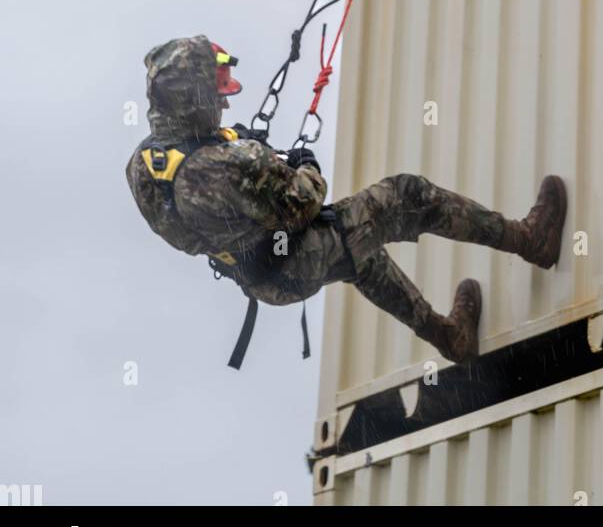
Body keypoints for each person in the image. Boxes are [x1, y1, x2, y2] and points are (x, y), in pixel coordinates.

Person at [126, 34, 568, 363]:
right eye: (216, 94)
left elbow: (198, 219)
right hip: (297, 258)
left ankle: (451, 338)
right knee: (404, 196)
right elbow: (304, 203)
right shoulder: (225, 164)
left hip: (261, 277)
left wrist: (244, 165)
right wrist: (305, 166)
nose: (223, 107)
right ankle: (529, 240)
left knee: (363, 256)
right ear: (194, 95)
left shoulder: (145, 166)